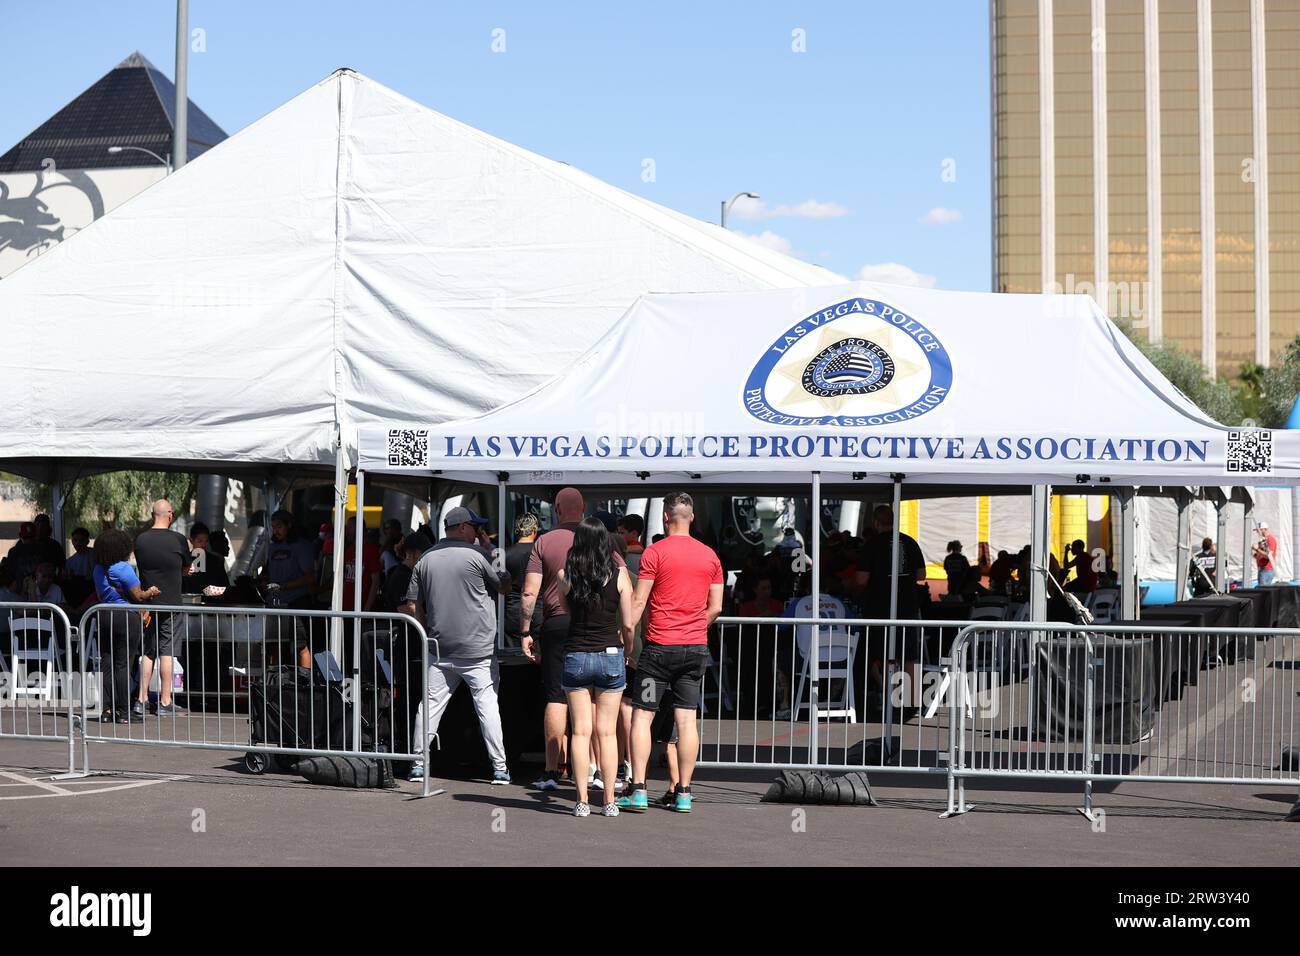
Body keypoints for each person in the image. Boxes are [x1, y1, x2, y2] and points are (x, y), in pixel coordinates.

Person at [618, 492, 724, 814]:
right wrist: (693, 624)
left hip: (659, 650)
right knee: (687, 721)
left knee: (642, 716)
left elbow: (637, 603)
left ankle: (638, 790)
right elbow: (716, 607)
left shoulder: (654, 552)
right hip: (693, 649)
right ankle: (685, 793)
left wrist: (627, 639)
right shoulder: (710, 557)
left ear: (665, 518)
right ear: (692, 517)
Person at [520, 487, 627, 790]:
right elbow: (620, 577)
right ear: (583, 509)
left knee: (557, 697)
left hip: (557, 623)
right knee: (597, 702)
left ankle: (553, 771)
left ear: (556, 509)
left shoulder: (544, 541)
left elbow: (529, 593)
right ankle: (594, 770)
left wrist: (525, 631)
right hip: (597, 625)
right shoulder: (600, 537)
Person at [400, 506, 512, 785]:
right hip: (478, 650)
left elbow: (412, 604)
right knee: (487, 706)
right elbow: (504, 586)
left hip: (439, 648)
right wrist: (493, 550)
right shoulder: (479, 554)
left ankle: (417, 763)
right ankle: (499, 768)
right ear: (463, 527)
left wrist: (426, 631)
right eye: (475, 527)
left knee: (429, 706)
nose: (478, 533)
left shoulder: (425, 558)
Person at [555, 517, 634, 817]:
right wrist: (627, 649)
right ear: (606, 542)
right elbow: (627, 624)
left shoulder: (566, 575)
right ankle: (610, 801)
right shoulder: (620, 576)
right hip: (610, 655)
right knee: (606, 733)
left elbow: (565, 611)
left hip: (576, 655)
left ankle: (581, 801)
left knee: (580, 732)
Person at [853, 505, 927, 714]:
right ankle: (912, 701)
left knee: (883, 655)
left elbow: (861, 579)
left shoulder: (871, 545)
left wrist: (856, 590)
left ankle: (892, 699)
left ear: (876, 523)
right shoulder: (910, 542)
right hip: (908, 606)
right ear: (894, 521)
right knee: (909, 655)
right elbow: (921, 575)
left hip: (879, 607)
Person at [90, 528, 160, 723]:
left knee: (107, 662)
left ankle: (107, 710)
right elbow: (138, 595)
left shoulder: (97, 569)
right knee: (123, 664)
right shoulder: (123, 568)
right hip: (125, 617)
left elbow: (99, 593)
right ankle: (125, 712)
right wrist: (151, 592)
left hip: (104, 615)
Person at [132, 499, 191, 717]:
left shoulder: (141, 540)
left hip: (148, 603)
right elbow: (186, 567)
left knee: (148, 650)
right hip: (172, 602)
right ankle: (165, 701)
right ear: (170, 515)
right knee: (167, 651)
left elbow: (144, 567)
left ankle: (141, 699)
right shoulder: (178, 539)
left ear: (152, 514)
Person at [261, 510, 319, 666]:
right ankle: (277, 682)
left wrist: (283, 586)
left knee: (301, 645)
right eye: (273, 527)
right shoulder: (273, 547)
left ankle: (305, 682)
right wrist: (264, 581)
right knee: (274, 644)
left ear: (289, 525)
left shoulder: (302, 546)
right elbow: (268, 571)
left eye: (279, 526)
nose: (276, 530)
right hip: (274, 604)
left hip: (296, 602)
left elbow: (310, 577)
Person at [504, 513, 541, 648]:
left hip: (513, 611)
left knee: (514, 657)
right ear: (535, 529)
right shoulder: (540, 553)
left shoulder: (505, 554)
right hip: (538, 610)